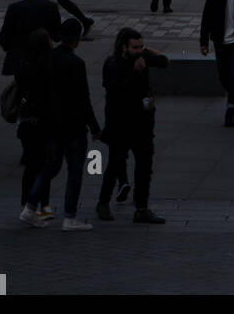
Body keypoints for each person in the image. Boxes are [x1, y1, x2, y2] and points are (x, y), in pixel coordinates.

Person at [95, 28, 168, 224]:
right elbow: (116, 90)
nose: (138, 51)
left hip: (142, 124)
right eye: (135, 47)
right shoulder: (113, 64)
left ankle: (141, 207)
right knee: (115, 164)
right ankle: (102, 203)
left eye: (140, 46)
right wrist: (135, 72)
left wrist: (149, 51)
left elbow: (164, 62)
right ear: (123, 46)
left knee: (145, 166)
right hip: (120, 123)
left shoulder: (142, 57)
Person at [52, 18, 102, 231]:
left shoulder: (50, 58)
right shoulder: (76, 63)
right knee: (74, 171)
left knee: (49, 167)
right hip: (74, 125)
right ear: (78, 38)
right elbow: (83, 98)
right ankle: (69, 216)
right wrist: (94, 127)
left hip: (53, 122)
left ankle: (32, 206)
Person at [16, 28, 59, 226]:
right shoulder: (47, 66)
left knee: (33, 165)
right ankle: (35, 208)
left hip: (25, 121)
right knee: (46, 164)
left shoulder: (25, 63)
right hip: (43, 122)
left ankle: (30, 205)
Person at [0, 0, 60, 76]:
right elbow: (56, 34)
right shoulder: (51, 7)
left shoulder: (14, 8)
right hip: (43, 56)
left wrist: (10, 49)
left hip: (20, 56)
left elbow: (5, 35)